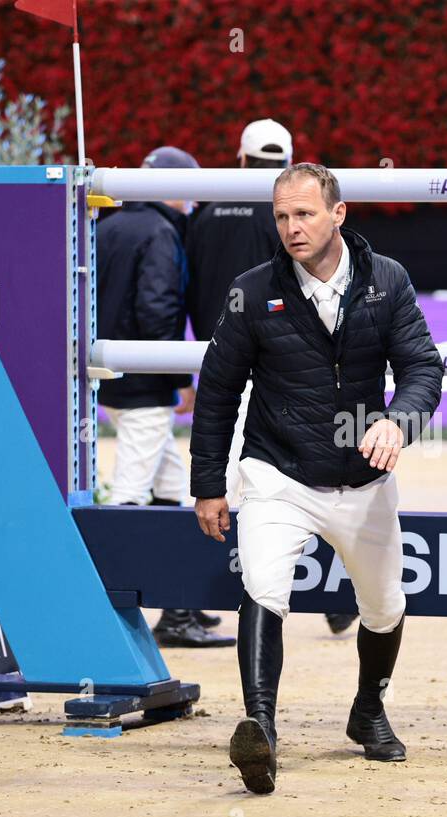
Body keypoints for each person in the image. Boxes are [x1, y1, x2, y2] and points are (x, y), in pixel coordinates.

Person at [190, 163, 443, 794]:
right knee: (264, 586)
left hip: (363, 478)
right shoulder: (252, 290)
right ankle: (261, 728)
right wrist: (208, 484)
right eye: (281, 216)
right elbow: (217, 391)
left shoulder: (388, 279)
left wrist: (400, 422)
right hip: (279, 469)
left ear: (338, 213)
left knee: (384, 607)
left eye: (303, 214)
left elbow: (423, 369)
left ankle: (368, 711)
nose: (291, 227)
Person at [187, 118, 358, 636]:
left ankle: (191, 603)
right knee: (314, 481)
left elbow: (185, 282)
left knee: (229, 491)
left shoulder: (205, 211)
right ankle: (330, 596)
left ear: (239, 158)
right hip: (278, 371)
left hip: (219, 361)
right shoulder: (292, 219)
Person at [96, 145, 233, 649]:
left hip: (113, 379)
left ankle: (180, 607)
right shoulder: (158, 232)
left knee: (176, 487)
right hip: (146, 384)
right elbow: (157, 312)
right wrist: (181, 377)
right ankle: (110, 616)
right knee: (130, 494)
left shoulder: (108, 225)